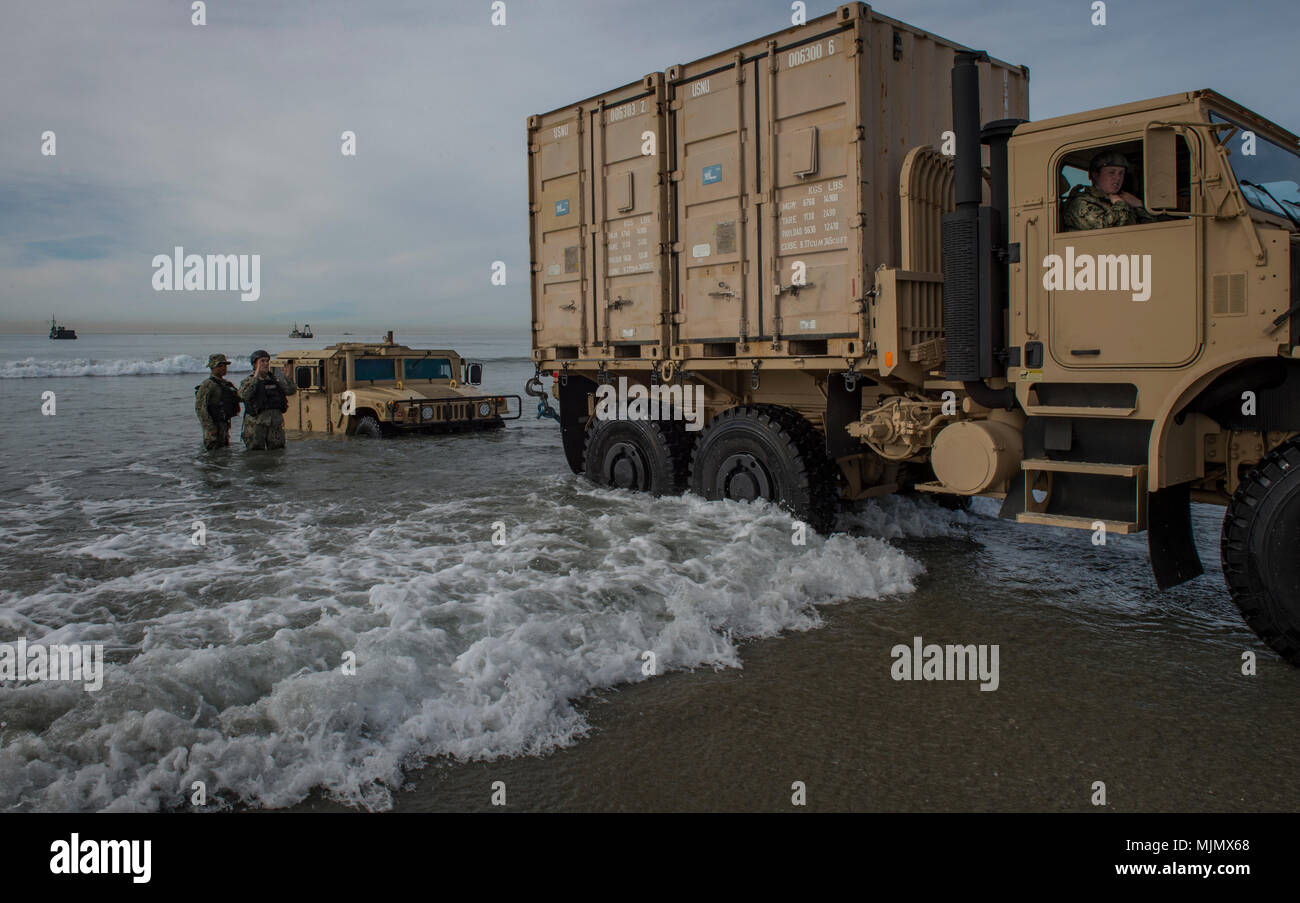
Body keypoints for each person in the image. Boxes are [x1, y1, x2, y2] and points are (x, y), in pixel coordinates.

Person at [1062, 150, 1156, 230]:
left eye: (1121, 173)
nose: (1118, 178)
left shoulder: (1124, 199)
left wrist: (1139, 206)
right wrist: (1120, 203)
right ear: (1095, 175)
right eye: (1112, 173)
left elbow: (1151, 229)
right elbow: (1108, 229)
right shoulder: (1080, 203)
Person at [239, 350, 296, 450]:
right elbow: (243, 395)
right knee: (255, 453)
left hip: (275, 424)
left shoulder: (274, 380)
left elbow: (290, 391)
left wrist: (288, 378)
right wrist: (256, 377)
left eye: (267, 361)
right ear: (254, 364)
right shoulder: (248, 381)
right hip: (256, 425)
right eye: (262, 361)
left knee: (277, 451)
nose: (265, 364)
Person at [195, 353, 241, 450]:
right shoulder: (208, 385)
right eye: (220, 366)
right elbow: (200, 408)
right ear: (212, 367)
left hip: (224, 425)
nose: (224, 368)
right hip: (213, 427)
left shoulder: (227, 384)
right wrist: (210, 427)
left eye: (225, 366)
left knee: (224, 453)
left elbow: (240, 397)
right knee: (212, 453)